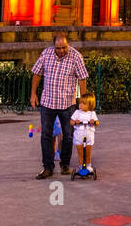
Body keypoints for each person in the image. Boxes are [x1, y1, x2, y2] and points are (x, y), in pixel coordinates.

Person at [29, 31, 89, 179]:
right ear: (53, 46)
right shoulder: (46, 54)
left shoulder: (76, 56)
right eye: (58, 48)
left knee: (68, 136)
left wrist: (83, 103)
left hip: (67, 104)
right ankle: (48, 167)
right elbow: (37, 73)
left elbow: (82, 80)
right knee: (46, 135)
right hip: (48, 102)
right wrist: (33, 94)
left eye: (64, 47)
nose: (62, 51)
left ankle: (65, 165)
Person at [70, 92, 99, 176]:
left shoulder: (92, 113)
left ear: (89, 105)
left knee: (88, 151)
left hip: (89, 134)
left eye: (84, 103)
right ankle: (81, 166)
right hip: (79, 134)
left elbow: (97, 122)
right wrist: (75, 122)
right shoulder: (77, 112)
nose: (81, 105)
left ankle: (88, 165)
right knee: (80, 152)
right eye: (80, 103)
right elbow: (71, 121)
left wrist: (94, 122)